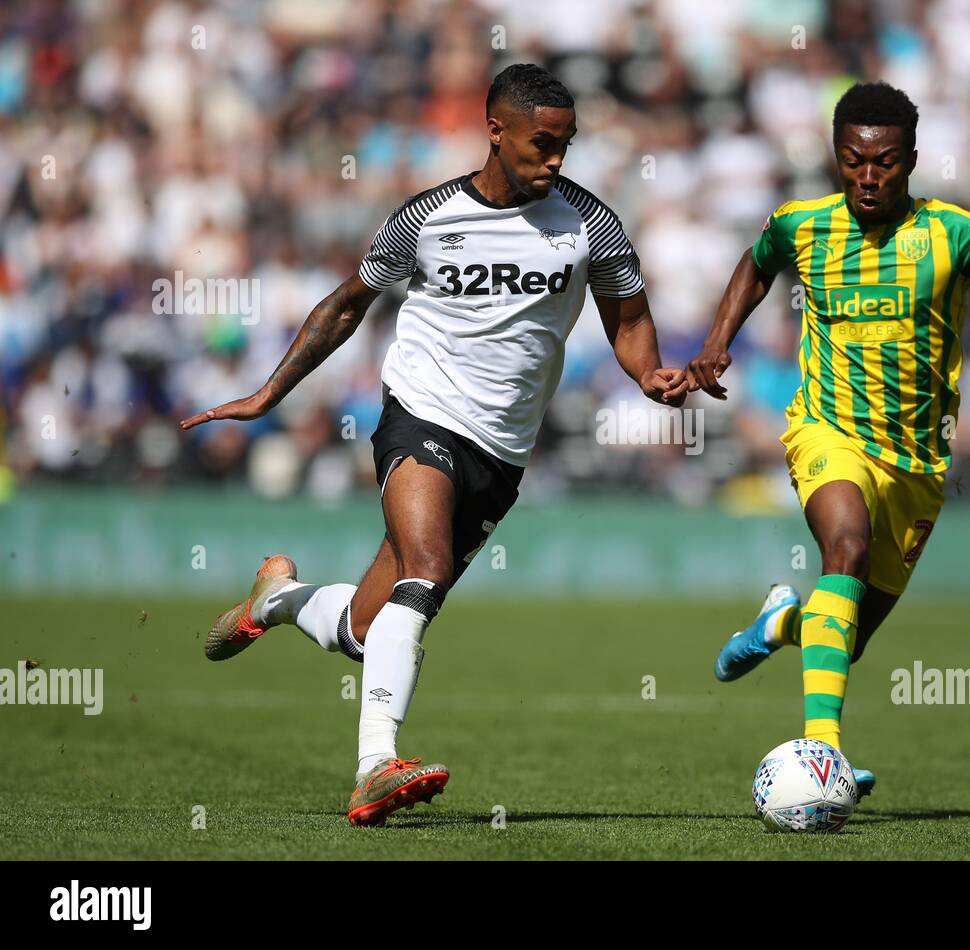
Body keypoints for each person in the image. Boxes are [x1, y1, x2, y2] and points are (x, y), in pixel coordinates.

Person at [181, 64, 687, 827]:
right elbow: (346, 305)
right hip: (420, 414)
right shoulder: (429, 217)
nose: (556, 160)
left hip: (503, 451)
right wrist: (270, 392)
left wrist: (650, 376)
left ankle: (278, 600)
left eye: (567, 145)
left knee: (365, 629)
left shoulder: (592, 224)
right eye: (542, 143)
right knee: (427, 566)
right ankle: (375, 766)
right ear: (495, 129)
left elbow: (628, 315)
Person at [686, 81, 970, 797]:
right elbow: (757, 260)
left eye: (885, 162)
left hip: (918, 462)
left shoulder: (958, 234)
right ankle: (823, 753)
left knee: (846, 636)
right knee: (846, 550)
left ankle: (780, 625)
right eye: (853, 160)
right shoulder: (803, 224)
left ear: (913, 159)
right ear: (835, 155)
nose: (868, 176)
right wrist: (715, 343)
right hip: (827, 430)